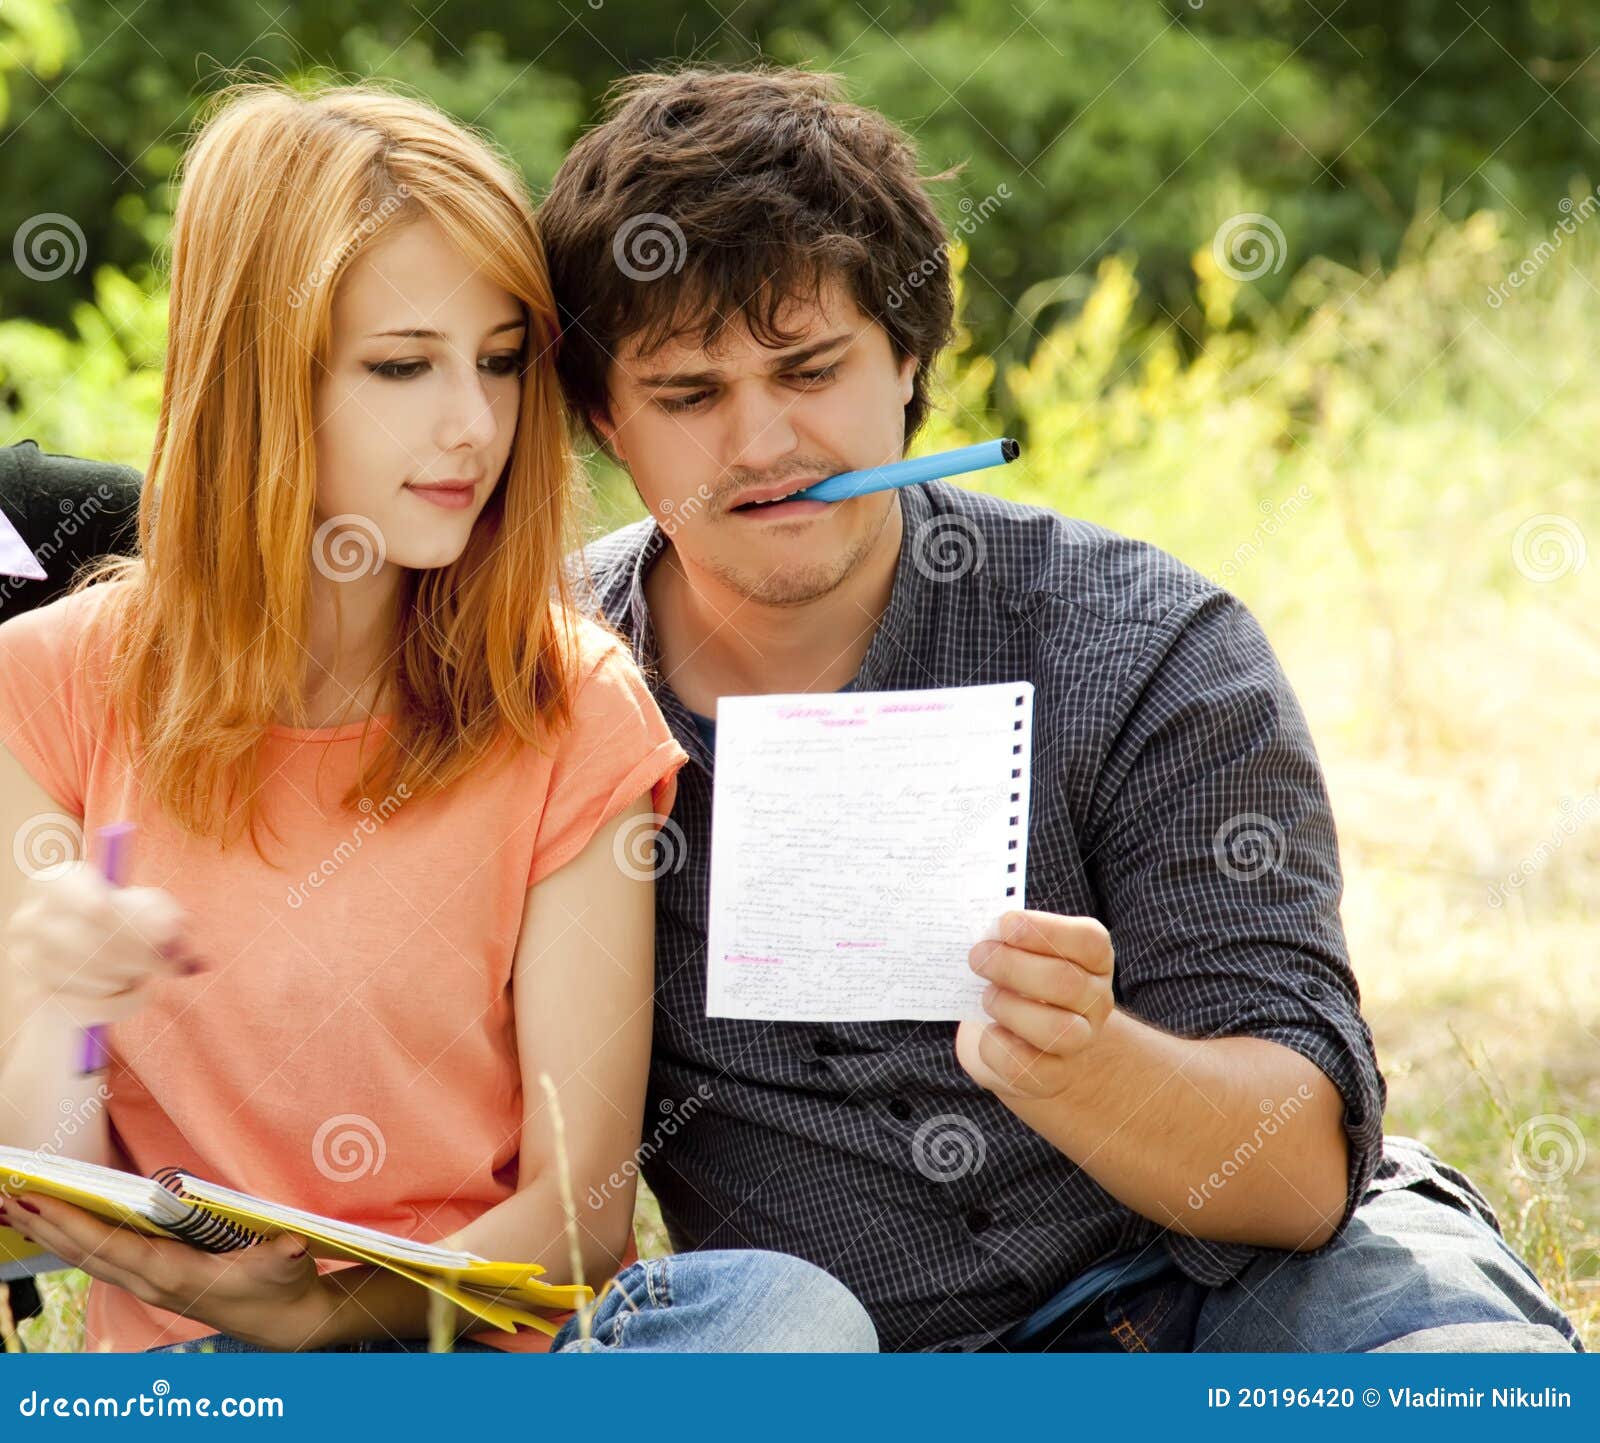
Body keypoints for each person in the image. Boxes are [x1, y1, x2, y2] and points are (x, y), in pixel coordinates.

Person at [536, 66, 1585, 1353]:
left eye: (810, 370)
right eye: (689, 397)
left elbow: (1303, 1176)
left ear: (908, 359)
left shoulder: (1142, 644)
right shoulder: (537, 688)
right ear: (601, 420)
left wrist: (1084, 1062)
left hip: (1238, 1290)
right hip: (837, 1350)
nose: (760, 446)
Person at [0, 82, 875, 1356]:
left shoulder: (571, 702)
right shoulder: (48, 685)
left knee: (790, 1322)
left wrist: (325, 1309)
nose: (473, 425)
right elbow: (51, 1192)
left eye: (501, 361)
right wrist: (52, 1002)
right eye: (402, 367)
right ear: (258, 380)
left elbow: (574, 1218)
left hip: (492, 1354)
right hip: (203, 1372)